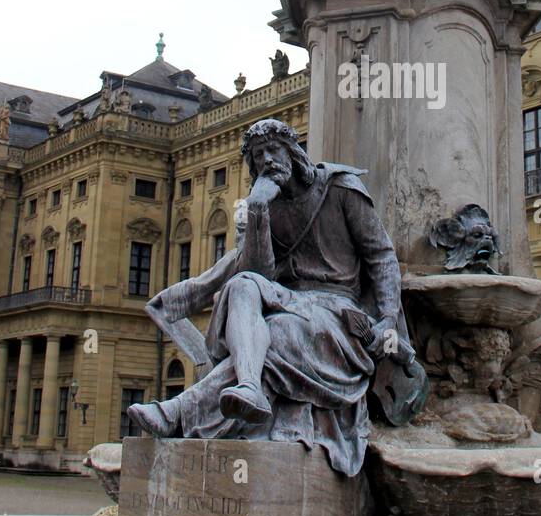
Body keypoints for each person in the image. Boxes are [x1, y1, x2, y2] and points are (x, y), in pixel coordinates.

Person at [127, 118, 422, 476]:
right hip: (287, 300)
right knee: (241, 285)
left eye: (273, 150)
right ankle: (249, 387)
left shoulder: (341, 189)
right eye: (257, 156)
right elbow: (256, 272)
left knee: (276, 336)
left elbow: (381, 256)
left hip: (340, 312)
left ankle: (178, 411)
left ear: (293, 151)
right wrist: (258, 211)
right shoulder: (262, 203)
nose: (266, 160)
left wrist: (389, 319)